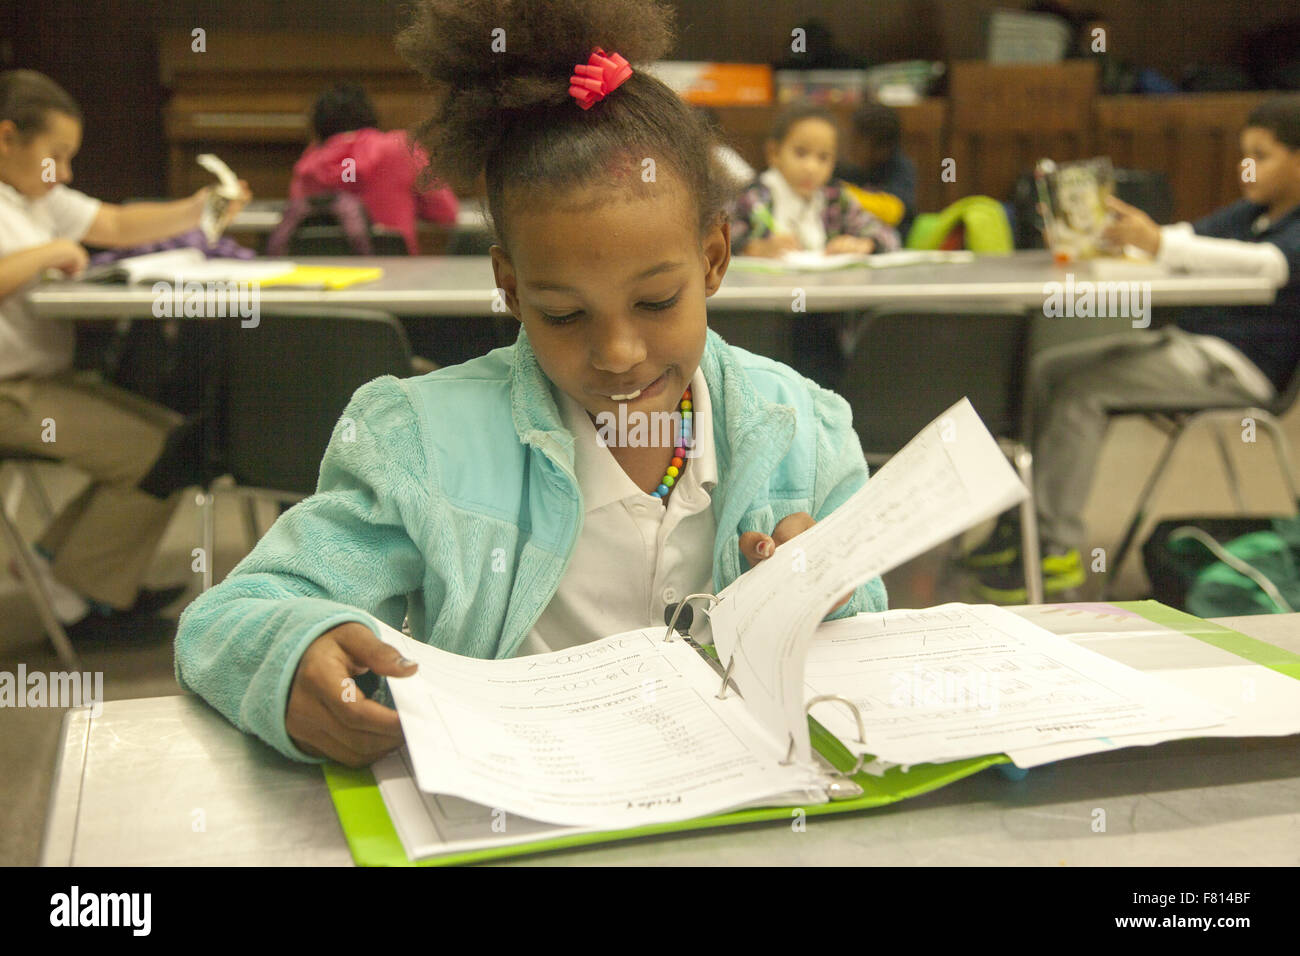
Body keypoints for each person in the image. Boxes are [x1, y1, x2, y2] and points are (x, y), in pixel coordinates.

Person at [174, 0, 888, 768]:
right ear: (510, 288)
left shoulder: (803, 432)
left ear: (715, 258)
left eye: (655, 302)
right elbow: (232, 615)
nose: (617, 353)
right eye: (563, 313)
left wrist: (828, 599)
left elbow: (870, 639)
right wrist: (293, 652)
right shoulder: (420, 442)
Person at [968, 94, 1300, 603]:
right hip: (1192, 347)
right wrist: (1118, 236)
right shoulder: (1250, 213)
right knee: (1048, 369)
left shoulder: (1286, 231)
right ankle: (1022, 526)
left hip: (1237, 367)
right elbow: (1183, 237)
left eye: (1263, 154)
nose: (1246, 166)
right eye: (1244, 153)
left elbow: (1267, 266)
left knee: (1081, 390)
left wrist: (1159, 245)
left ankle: (1055, 548)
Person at [0, 69, 250, 635]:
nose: (63, 173)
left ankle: (58, 569)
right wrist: (48, 252)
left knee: (176, 435)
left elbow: (114, 222)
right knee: (163, 453)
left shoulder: (34, 196)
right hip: (10, 395)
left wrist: (199, 207)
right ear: (7, 138)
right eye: (55, 156)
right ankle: (78, 590)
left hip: (42, 383)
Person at [287, 82, 458, 255]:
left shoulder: (309, 162)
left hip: (322, 275)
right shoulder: (399, 147)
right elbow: (446, 213)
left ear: (317, 125)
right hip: (396, 275)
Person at [727, 102, 900, 258]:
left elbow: (889, 236)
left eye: (823, 158)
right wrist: (753, 248)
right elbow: (718, 239)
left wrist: (864, 245)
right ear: (774, 153)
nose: (811, 167)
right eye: (800, 153)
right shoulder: (753, 196)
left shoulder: (835, 199)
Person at [834, 98, 918, 239]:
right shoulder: (843, 166)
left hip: (889, 241)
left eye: (858, 142)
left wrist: (840, 195)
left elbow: (893, 210)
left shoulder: (900, 168)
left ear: (882, 149)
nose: (851, 145)